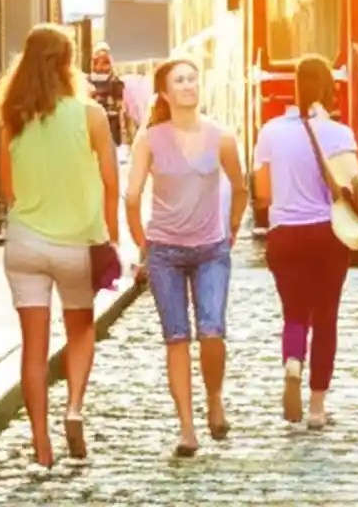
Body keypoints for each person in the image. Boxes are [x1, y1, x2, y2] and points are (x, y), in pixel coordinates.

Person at [0, 25, 120, 468]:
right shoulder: (90, 116)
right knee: (81, 329)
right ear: (68, 63)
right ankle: (73, 407)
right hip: (76, 243)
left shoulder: (13, 116)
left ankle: (40, 442)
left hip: (25, 242)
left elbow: (7, 189)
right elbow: (110, 182)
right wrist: (112, 234)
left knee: (33, 346)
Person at [124, 59, 247, 456]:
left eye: (193, 78)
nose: (189, 85)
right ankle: (187, 429)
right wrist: (144, 243)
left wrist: (231, 229)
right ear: (164, 92)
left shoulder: (221, 137)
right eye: (180, 80)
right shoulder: (151, 139)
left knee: (212, 331)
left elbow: (241, 187)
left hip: (212, 250)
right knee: (176, 338)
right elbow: (131, 196)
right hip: (166, 254)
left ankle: (214, 399)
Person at [253, 54, 358, 430]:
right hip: (328, 235)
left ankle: (292, 362)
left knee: (295, 312)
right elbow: (353, 187)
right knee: (327, 316)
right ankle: (317, 409)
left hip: (285, 234)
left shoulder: (270, 132)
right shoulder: (340, 134)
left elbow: (263, 193)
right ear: (330, 88)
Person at [87, 43, 128, 152]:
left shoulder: (115, 82)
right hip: (92, 121)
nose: (100, 65)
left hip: (111, 121)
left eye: (105, 61)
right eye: (97, 61)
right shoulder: (87, 81)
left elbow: (120, 105)